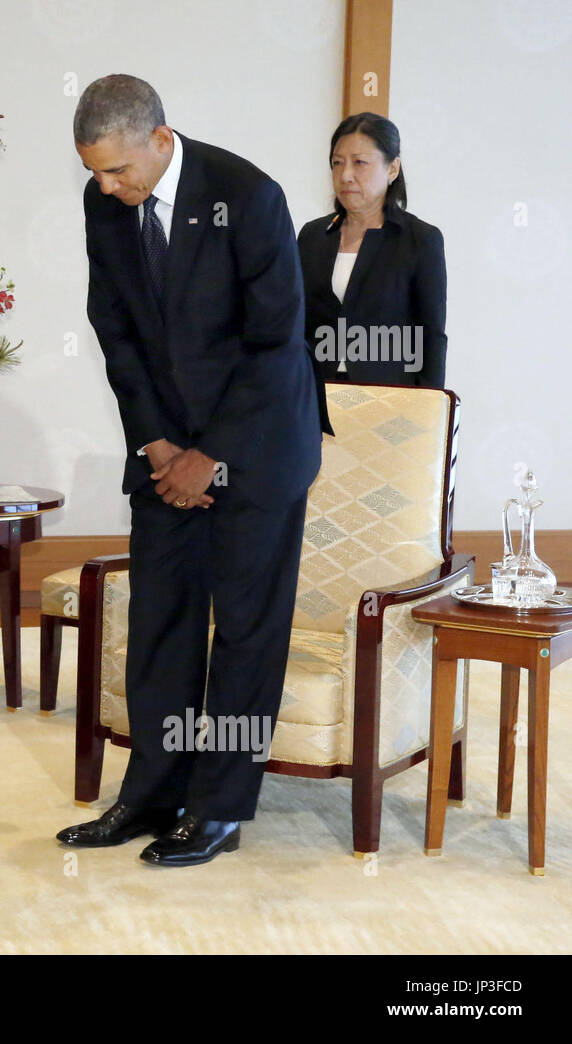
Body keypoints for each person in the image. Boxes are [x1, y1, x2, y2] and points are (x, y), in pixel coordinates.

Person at [56, 75, 324, 867]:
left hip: (259, 449)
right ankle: (150, 792)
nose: (106, 187)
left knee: (244, 631)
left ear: (159, 139)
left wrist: (213, 455)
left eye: (117, 171)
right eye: (95, 172)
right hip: (167, 452)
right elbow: (115, 326)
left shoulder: (248, 195)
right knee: (161, 626)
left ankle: (218, 807)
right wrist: (159, 444)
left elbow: (275, 341)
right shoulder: (105, 201)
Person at [298, 112, 446, 393]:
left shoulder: (420, 240)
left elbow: (431, 336)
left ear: (392, 168)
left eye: (360, 163)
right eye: (337, 163)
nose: (346, 176)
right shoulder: (313, 235)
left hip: (388, 394)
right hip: (315, 392)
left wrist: (429, 407)